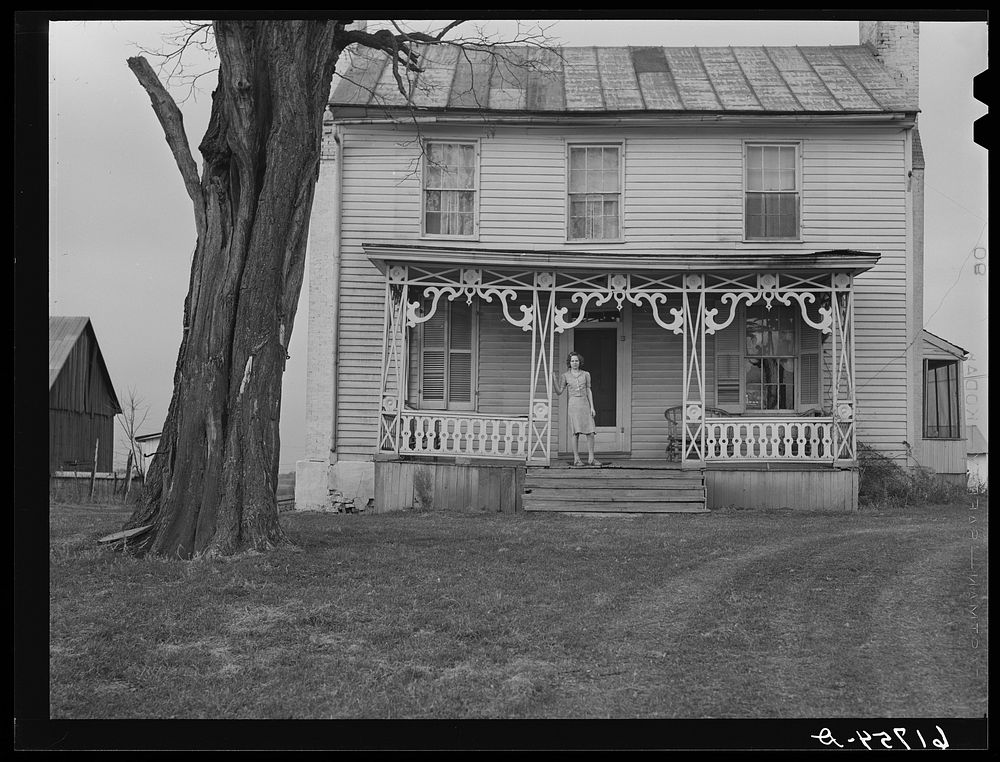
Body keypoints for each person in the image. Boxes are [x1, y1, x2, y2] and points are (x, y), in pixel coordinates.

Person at [553, 351, 602, 467]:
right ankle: (576, 459)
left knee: (590, 431)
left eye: (576, 361)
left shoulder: (586, 374)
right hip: (574, 405)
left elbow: (589, 390)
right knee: (576, 432)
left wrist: (592, 407)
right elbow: (559, 392)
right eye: (572, 361)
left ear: (580, 362)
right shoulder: (565, 376)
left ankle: (591, 458)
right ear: (569, 363)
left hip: (585, 403)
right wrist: (554, 381)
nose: (574, 363)